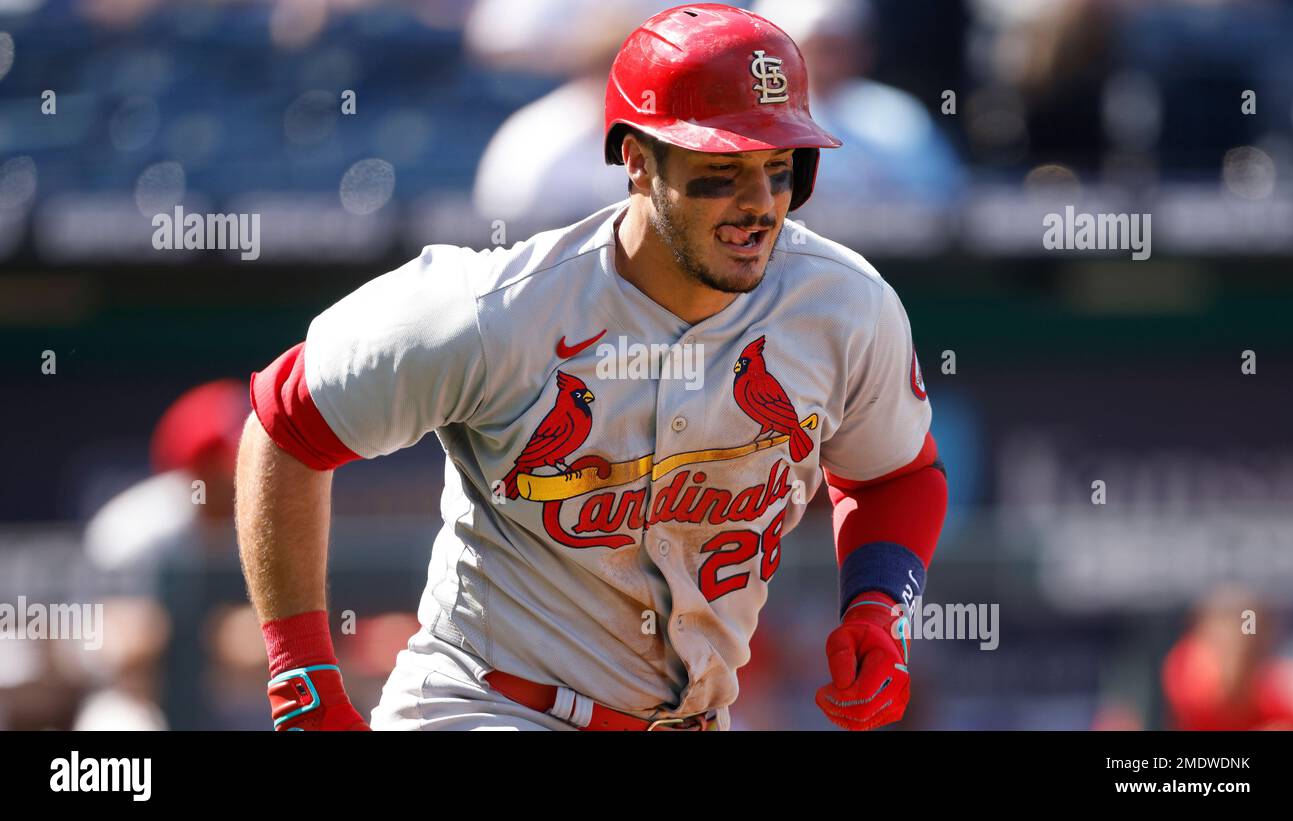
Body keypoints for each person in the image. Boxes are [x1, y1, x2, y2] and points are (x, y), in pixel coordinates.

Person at [236, 3, 948, 732]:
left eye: (779, 167)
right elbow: (285, 423)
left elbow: (895, 473)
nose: (759, 203)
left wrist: (877, 610)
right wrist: (302, 673)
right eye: (721, 169)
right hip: (489, 705)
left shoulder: (845, 305)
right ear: (636, 160)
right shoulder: (499, 306)